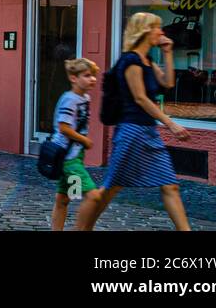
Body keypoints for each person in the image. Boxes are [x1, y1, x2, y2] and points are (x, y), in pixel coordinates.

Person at [76, 12, 191, 231]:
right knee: (110, 188)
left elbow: (167, 83)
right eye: (157, 27)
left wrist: (167, 53)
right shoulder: (130, 60)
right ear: (145, 31)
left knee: (170, 186)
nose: (161, 31)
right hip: (131, 131)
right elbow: (140, 98)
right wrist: (171, 123)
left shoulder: (147, 61)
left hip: (148, 132)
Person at [49, 58, 103, 231]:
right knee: (94, 196)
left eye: (93, 75)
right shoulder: (70, 100)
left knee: (64, 199)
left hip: (75, 156)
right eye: (87, 76)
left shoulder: (84, 97)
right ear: (74, 78)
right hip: (68, 159)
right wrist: (84, 139)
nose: (92, 79)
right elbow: (63, 127)